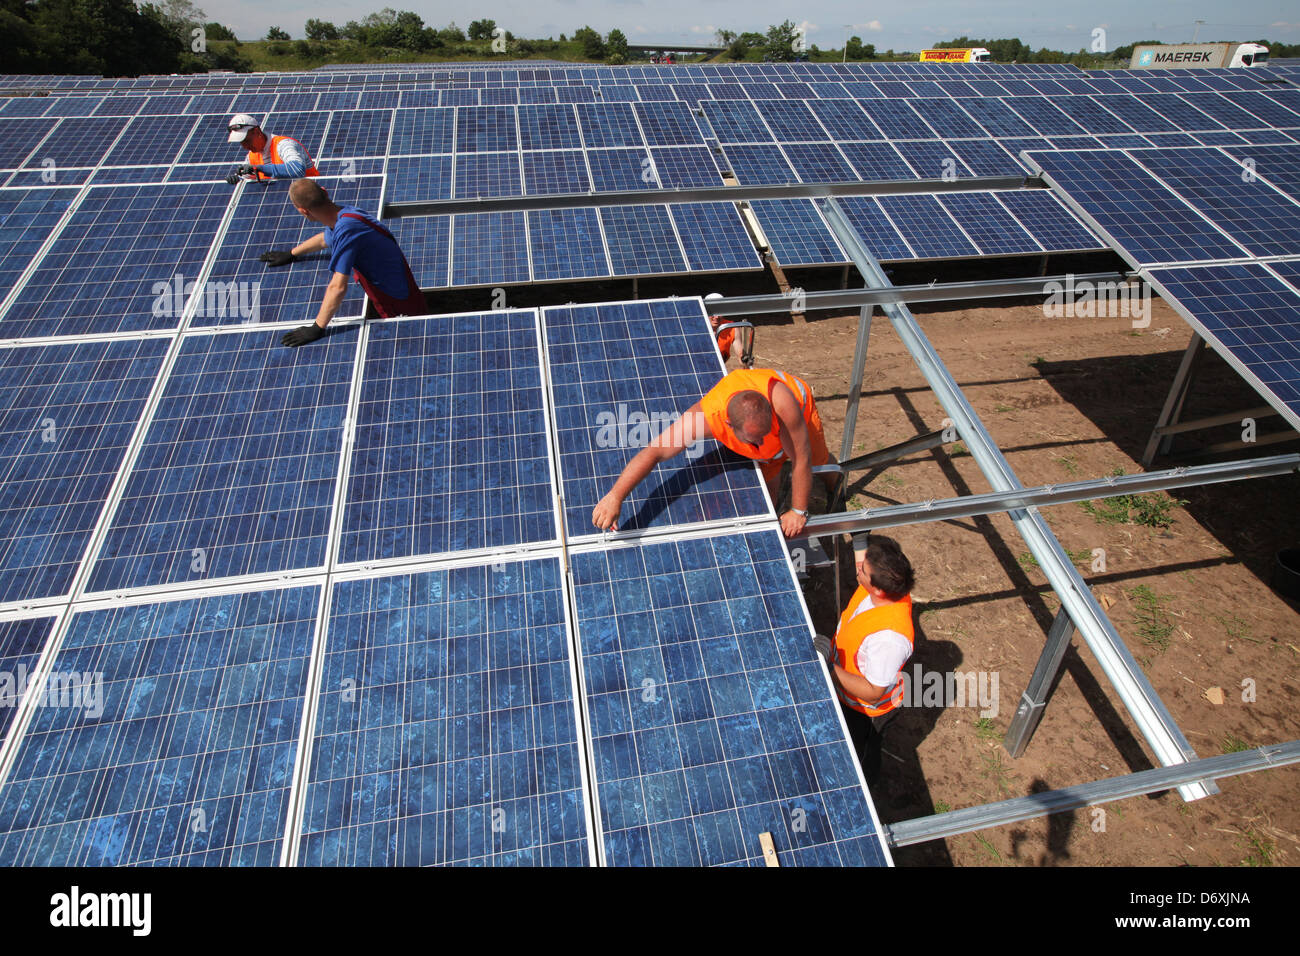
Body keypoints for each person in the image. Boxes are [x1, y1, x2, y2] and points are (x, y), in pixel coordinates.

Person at [590, 367, 835, 538]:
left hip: (799, 421)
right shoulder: (706, 417)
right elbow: (655, 452)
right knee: (769, 473)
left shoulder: (783, 404)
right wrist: (615, 495)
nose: (760, 441)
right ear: (728, 426)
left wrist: (798, 511)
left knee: (818, 461)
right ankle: (771, 514)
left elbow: (802, 459)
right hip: (768, 433)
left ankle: (836, 486)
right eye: (754, 439)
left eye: (764, 433)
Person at [260, 179, 427, 347]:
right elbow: (325, 239)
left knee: (411, 335)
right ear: (325, 192)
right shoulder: (344, 214)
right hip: (392, 280)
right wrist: (291, 253)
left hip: (394, 293)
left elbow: (338, 287)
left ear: (304, 211)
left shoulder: (347, 228)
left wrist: (317, 327)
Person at [815, 534, 916, 786]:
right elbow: (867, 565)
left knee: (860, 757)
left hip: (865, 711)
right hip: (845, 691)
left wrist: (828, 668)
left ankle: (863, 790)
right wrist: (860, 539)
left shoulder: (889, 639)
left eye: (862, 570)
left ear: (878, 589)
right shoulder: (883, 589)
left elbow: (872, 692)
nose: (857, 569)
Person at [226, 113, 319, 184]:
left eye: (247, 140)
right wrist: (237, 179)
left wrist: (260, 168)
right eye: (241, 142)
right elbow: (247, 176)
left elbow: (297, 169)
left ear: (257, 132)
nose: (245, 146)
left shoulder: (284, 144)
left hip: (310, 196)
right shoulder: (251, 156)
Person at [704, 292, 736, 362]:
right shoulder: (694, 328)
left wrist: (744, 359)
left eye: (719, 312)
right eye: (712, 313)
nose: (716, 317)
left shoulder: (731, 327)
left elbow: (741, 355)